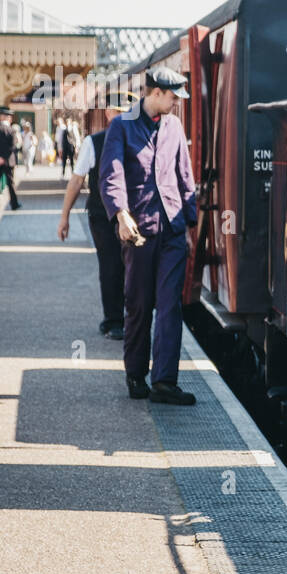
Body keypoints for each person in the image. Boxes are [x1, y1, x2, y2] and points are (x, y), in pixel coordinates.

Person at [99, 67, 198, 406]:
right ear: (155, 93)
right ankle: (135, 372)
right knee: (139, 305)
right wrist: (121, 214)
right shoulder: (121, 126)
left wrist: (190, 224)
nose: (177, 103)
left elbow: (184, 175)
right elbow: (110, 174)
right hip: (138, 229)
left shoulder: (174, 126)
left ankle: (165, 383)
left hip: (171, 229)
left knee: (170, 306)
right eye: (173, 97)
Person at [59, 107, 125, 340]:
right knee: (111, 266)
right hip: (102, 215)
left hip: (132, 215)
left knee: (128, 267)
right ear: (108, 114)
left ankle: (124, 319)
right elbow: (77, 180)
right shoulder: (93, 142)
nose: (123, 117)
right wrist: (65, 216)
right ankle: (114, 320)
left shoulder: (139, 137)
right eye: (119, 112)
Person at [0, 111, 22, 213]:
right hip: (8, 161)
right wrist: (4, 158)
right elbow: (12, 146)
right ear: (9, 119)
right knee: (10, 183)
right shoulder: (11, 131)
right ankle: (14, 204)